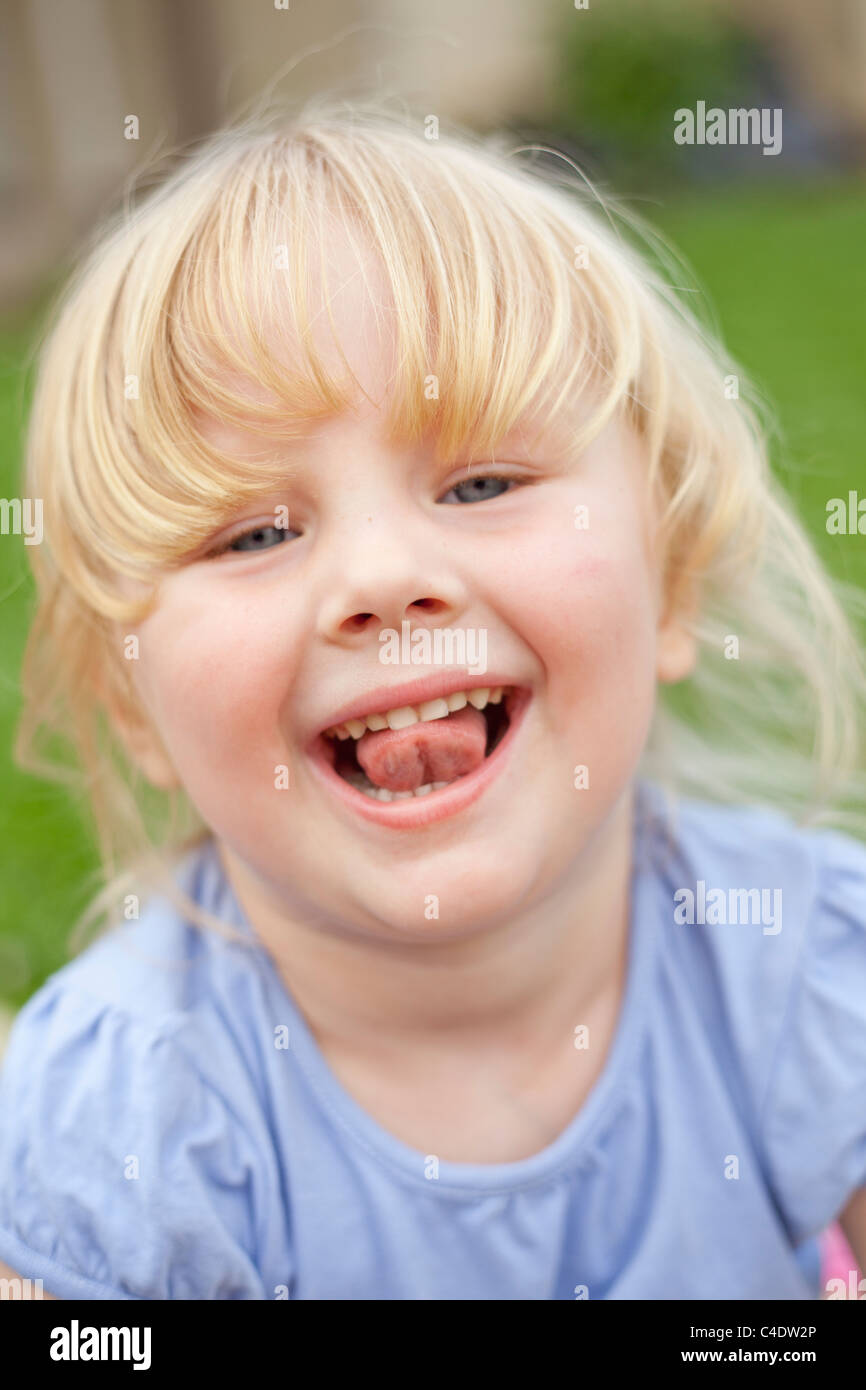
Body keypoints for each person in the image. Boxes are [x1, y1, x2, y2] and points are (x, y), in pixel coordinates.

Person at [1, 98, 865, 1300]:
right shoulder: (114, 1140)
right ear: (134, 705)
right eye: (253, 531)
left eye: (480, 483)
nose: (381, 579)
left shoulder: (807, 971)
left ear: (667, 575)